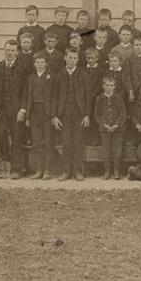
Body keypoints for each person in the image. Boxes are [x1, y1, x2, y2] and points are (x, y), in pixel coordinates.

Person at [0, 39, 29, 179]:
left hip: (17, 110)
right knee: (1, 133)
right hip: (2, 110)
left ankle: (16, 169)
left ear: (17, 52)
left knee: (17, 138)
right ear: (4, 51)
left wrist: (23, 110)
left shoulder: (23, 68)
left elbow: (26, 91)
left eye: (12, 50)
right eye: (7, 50)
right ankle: (5, 159)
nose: (10, 53)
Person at [52, 47, 91, 181]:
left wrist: (87, 115)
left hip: (79, 113)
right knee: (66, 142)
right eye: (70, 57)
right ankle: (66, 171)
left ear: (78, 59)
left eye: (75, 58)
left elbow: (88, 96)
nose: (72, 60)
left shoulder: (83, 74)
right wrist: (55, 116)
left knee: (78, 142)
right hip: (63, 113)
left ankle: (77, 171)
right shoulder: (59, 75)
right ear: (65, 58)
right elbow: (54, 97)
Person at [24, 53, 55, 180]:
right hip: (34, 112)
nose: (40, 64)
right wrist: (27, 116)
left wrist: (53, 115)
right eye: (38, 62)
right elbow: (26, 97)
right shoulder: (30, 78)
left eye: (42, 62)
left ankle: (47, 170)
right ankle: (39, 170)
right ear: (34, 64)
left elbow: (55, 97)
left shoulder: (51, 77)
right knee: (36, 142)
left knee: (48, 142)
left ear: (46, 64)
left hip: (46, 112)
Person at [95, 75, 126, 180]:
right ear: (103, 86)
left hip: (118, 129)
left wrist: (116, 125)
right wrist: (104, 125)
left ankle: (116, 169)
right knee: (106, 149)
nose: (109, 87)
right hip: (105, 129)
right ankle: (107, 169)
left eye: (111, 85)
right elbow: (97, 115)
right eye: (107, 85)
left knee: (116, 149)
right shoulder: (100, 99)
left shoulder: (118, 98)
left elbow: (123, 113)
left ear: (115, 87)